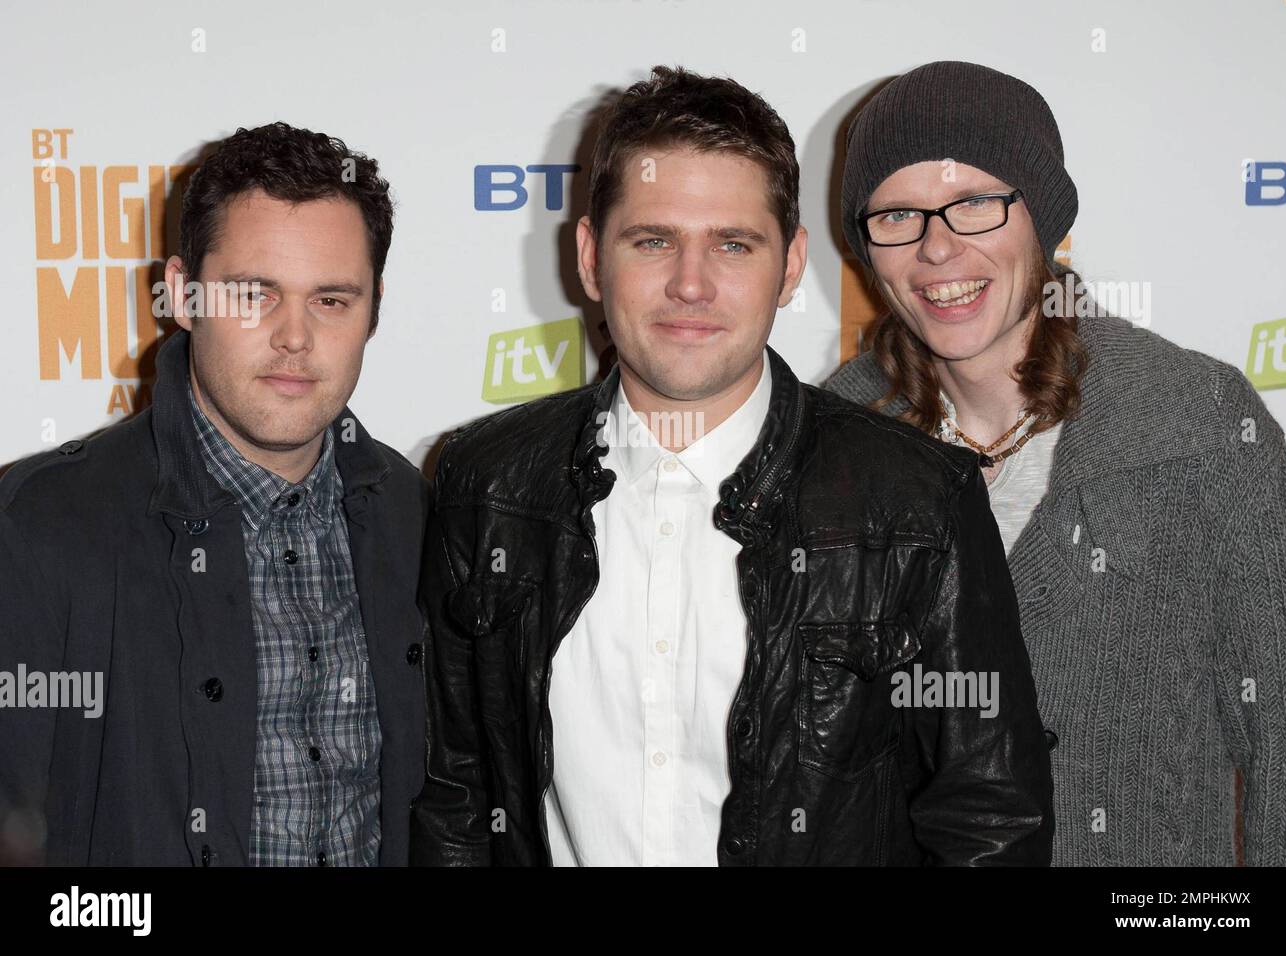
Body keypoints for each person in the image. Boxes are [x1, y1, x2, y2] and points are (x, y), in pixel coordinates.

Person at [412, 65, 1052, 866]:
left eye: (733, 244)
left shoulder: (919, 501)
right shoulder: (487, 483)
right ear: (588, 256)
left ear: (788, 267)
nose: (691, 284)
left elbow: (989, 821)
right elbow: (456, 798)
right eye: (652, 241)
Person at [825, 60, 1286, 865]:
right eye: (897, 214)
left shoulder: (1200, 421)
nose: (937, 246)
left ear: (1041, 220)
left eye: (975, 203)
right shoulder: (835, 438)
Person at [0, 122, 429, 866]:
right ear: (181, 294)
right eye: (252, 294)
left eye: (331, 300)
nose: (293, 337)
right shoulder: (43, 524)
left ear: (374, 308)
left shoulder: (412, 511)